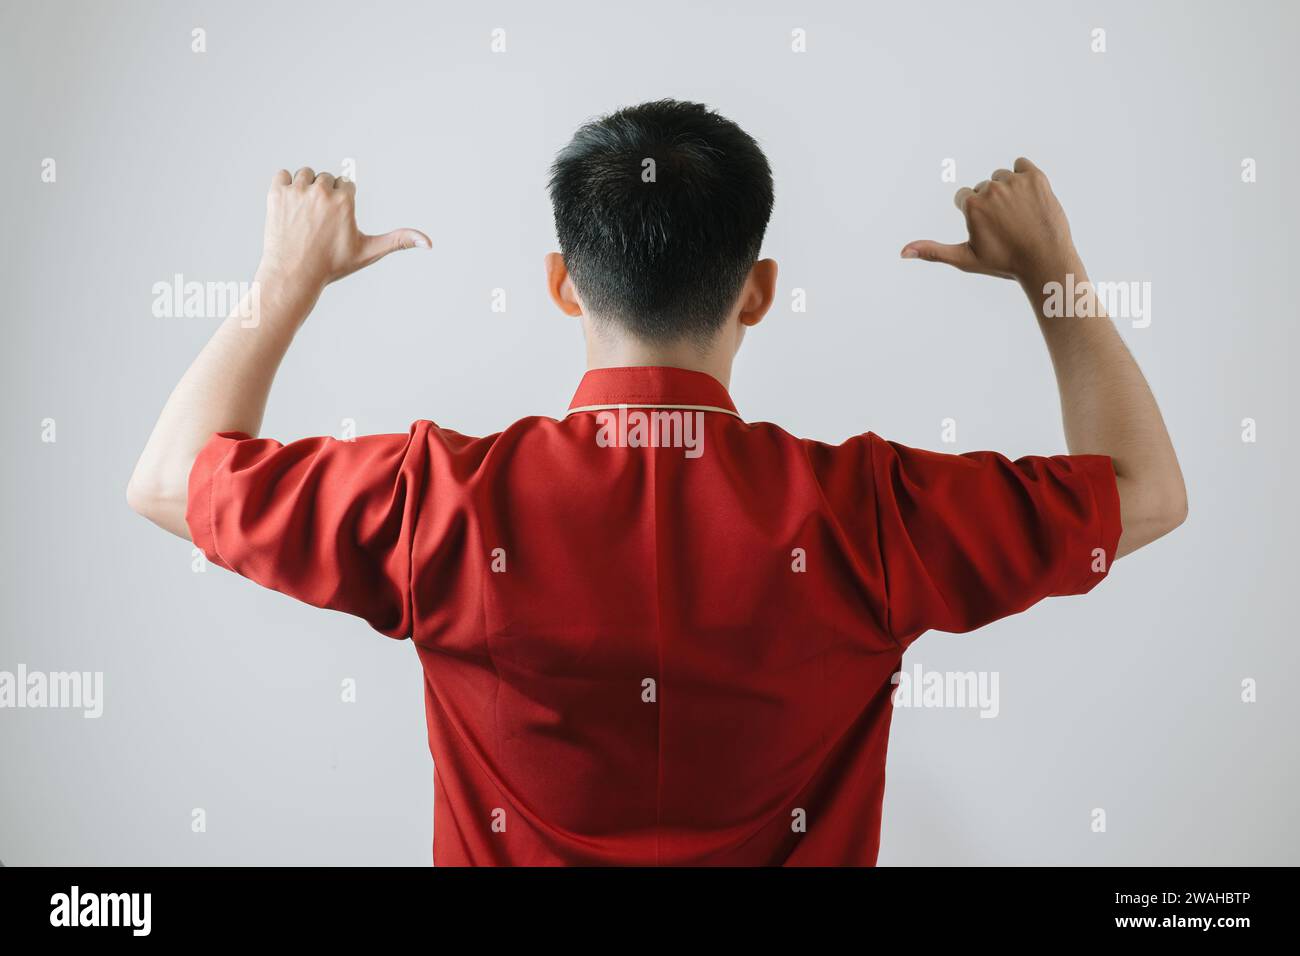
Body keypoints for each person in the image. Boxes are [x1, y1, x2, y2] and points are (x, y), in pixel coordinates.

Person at [127, 99, 1186, 865]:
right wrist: (1052, 270)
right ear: (759, 292)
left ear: (559, 282)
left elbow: (170, 480)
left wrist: (286, 279)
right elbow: (1145, 490)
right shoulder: (867, 516)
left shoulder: (438, 502)